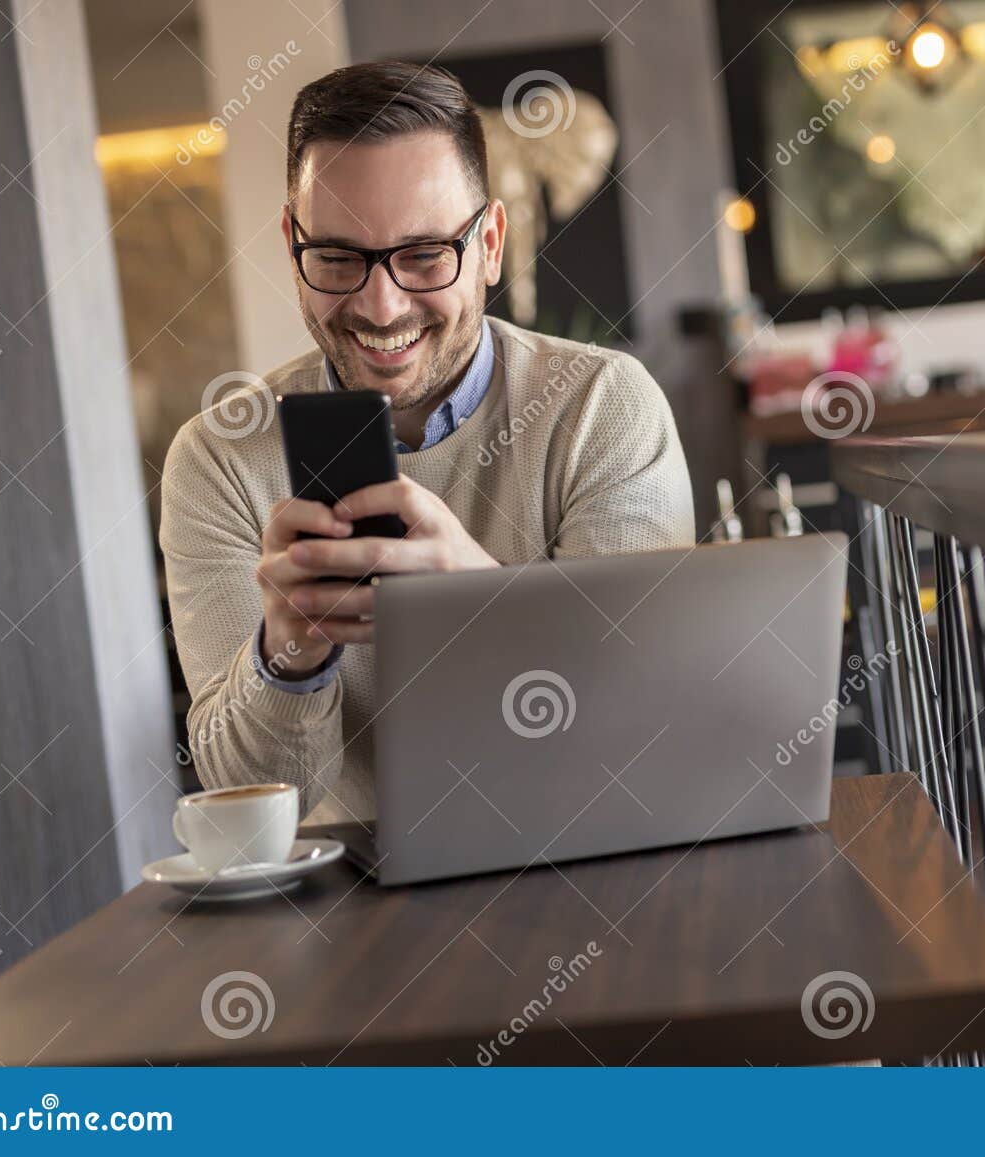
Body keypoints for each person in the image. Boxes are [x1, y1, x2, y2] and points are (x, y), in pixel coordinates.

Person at [160, 62, 694, 824]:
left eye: (423, 255)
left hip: (585, 863)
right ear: (292, 247)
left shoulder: (604, 409)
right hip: (352, 892)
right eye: (338, 258)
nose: (381, 307)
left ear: (490, 244)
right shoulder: (219, 461)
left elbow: (640, 726)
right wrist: (288, 659)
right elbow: (248, 803)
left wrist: (481, 602)